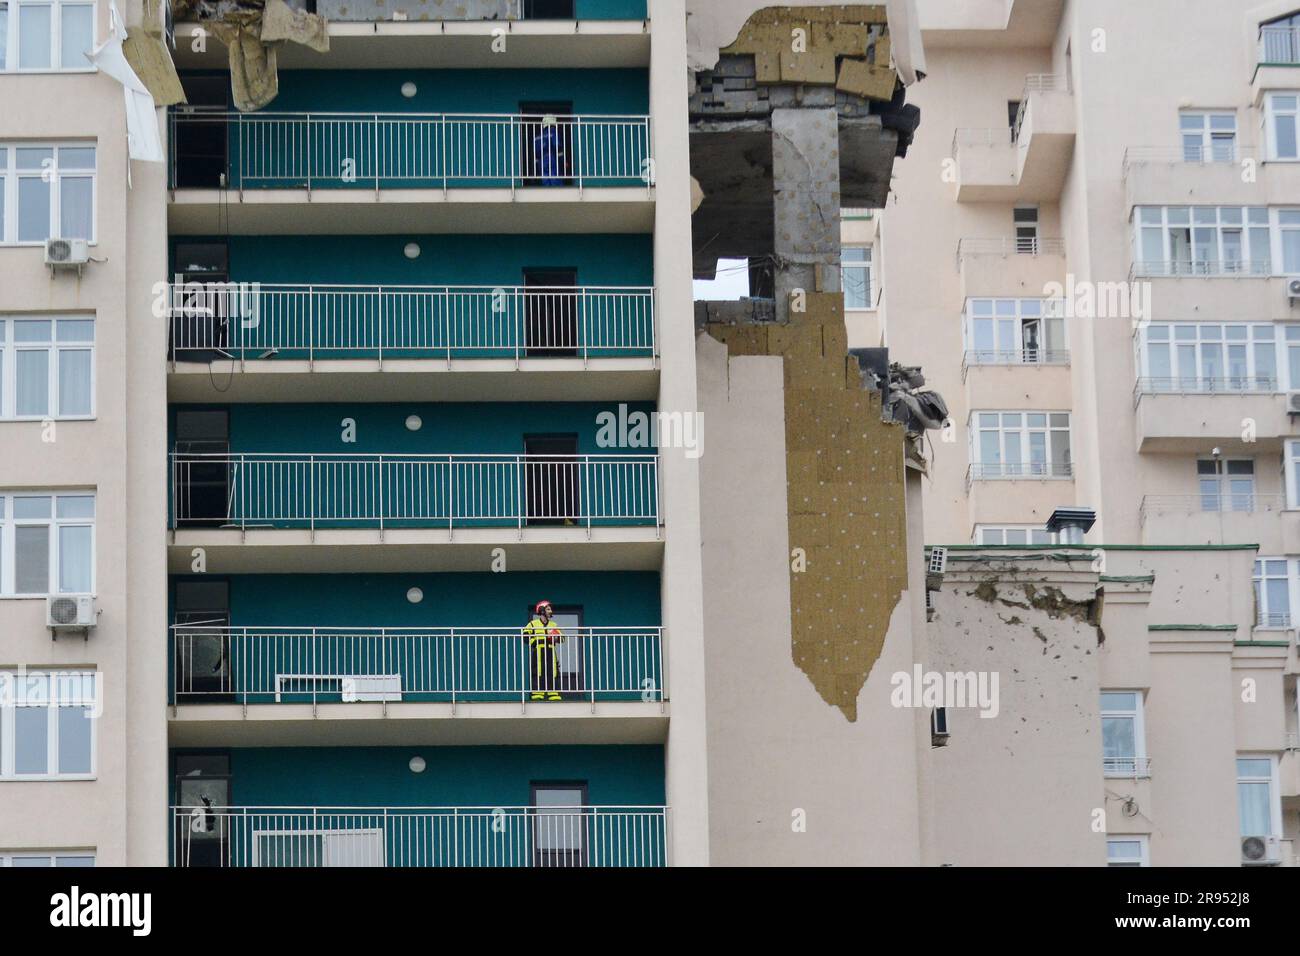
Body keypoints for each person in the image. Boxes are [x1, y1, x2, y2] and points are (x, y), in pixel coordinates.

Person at [523, 600, 566, 701]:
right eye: (548, 609)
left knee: (553, 671)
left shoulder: (554, 625)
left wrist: (555, 638)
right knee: (537, 671)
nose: (550, 611)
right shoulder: (532, 624)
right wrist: (537, 641)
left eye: (550, 609)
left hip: (551, 651)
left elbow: (563, 638)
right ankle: (538, 693)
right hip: (538, 651)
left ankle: (553, 693)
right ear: (542, 610)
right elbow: (525, 637)